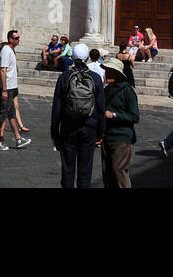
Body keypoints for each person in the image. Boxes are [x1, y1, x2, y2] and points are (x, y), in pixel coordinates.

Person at [50, 43, 106, 188]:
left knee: (68, 167)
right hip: (89, 127)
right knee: (85, 169)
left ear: (73, 58)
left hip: (68, 127)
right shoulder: (95, 78)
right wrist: (100, 133)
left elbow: (57, 107)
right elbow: (101, 108)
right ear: (87, 57)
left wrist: (55, 132)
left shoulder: (64, 77)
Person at [100, 57, 139, 187]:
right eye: (106, 70)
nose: (107, 73)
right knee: (107, 173)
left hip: (121, 137)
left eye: (110, 71)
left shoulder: (127, 91)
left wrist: (114, 115)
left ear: (118, 74)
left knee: (119, 171)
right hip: (107, 136)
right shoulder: (106, 90)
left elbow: (134, 116)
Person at [0, 28, 31, 145]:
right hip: (6, 88)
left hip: (11, 87)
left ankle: (18, 139)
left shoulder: (11, 50)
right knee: (1, 115)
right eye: (16, 38)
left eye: (18, 38)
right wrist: (4, 89)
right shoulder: (6, 51)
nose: (19, 40)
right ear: (10, 39)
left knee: (11, 114)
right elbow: (3, 70)